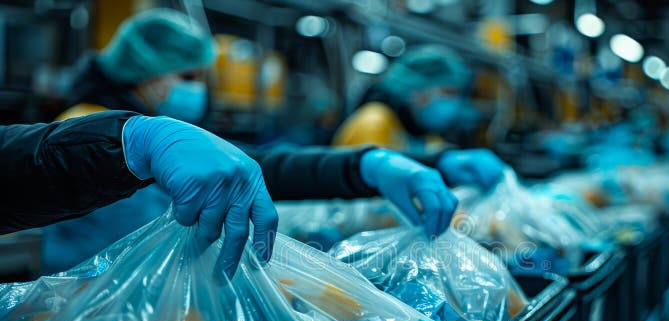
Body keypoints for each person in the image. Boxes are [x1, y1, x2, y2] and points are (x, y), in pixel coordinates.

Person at [43, 8, 456, 273]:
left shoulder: (163, 133)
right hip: (96, 315)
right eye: (188, 77)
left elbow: (249, 166)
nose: (199, 89)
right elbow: (147, 244)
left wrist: (362, 166)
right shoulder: (92, 132)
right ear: (142, 71)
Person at [1, 111, 275, 278]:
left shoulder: (150, 120)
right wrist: (125, 142)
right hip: (87, 292)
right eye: (187, 76)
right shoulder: (87, 117)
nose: (196, 88)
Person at [332, 44, 508, 193]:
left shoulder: (423, 135)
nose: (454, 103)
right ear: (418, 90)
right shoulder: (374, 121)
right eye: (448, 93)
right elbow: (371, 199)